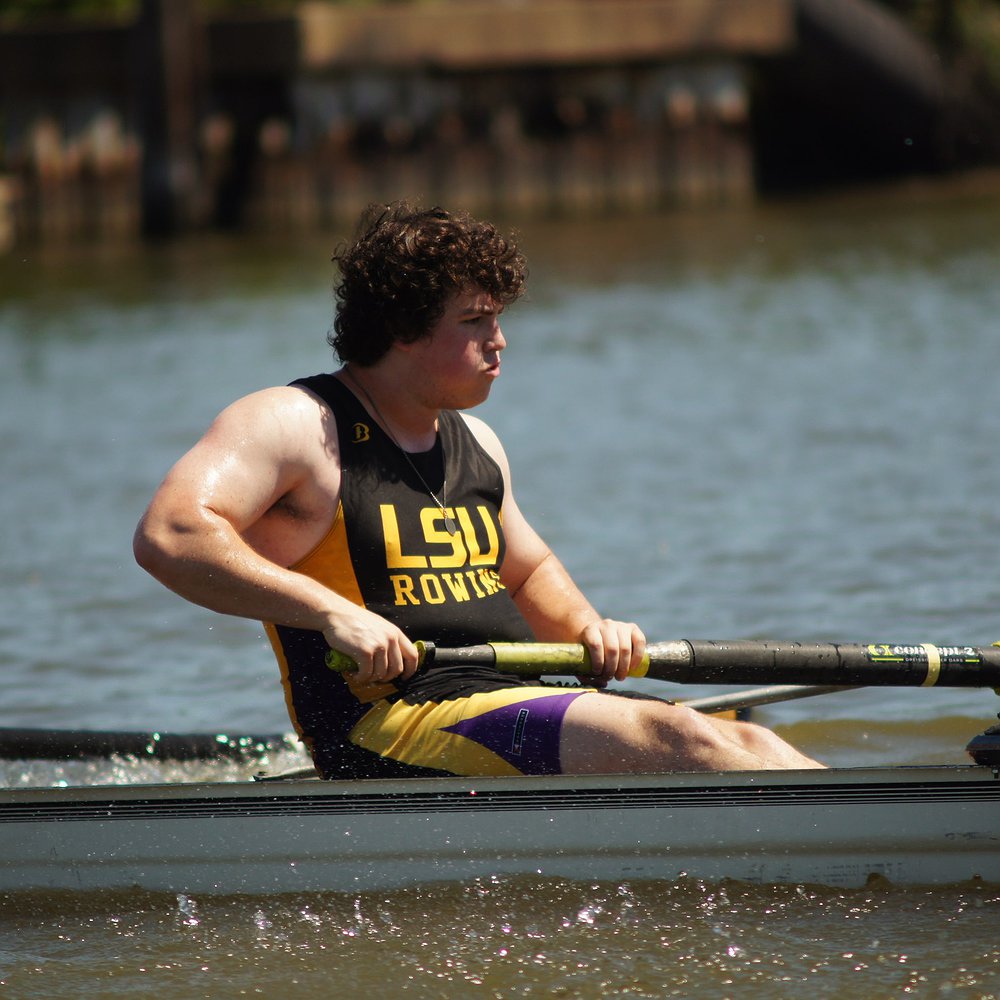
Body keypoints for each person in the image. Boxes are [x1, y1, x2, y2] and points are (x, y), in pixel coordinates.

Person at [134, 202, 823, 778]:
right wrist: (330, 612)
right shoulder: (294, 424)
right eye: (474, 322)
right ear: (403, 328)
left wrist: (591, 630)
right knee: (698, 744)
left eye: (498, 320)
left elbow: (526, 574)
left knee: (739, 733)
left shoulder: (478, 446)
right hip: (391, 725)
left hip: (509, 698)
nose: (499, 343)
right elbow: (171, 535)